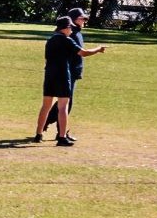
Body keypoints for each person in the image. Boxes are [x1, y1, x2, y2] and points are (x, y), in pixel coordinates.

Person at [34, 15, 105, 145]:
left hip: (49, 75)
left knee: (46, 105)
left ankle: (38, 134)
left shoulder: (50, 40)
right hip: (62, 75)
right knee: (63, 106)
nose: (72, 30)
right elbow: (83, 53)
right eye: (70, 27)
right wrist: (98, 49)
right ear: (66, 28)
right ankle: (61, 137)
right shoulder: (67, 40)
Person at [42, 8, 95, 138]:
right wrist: (98, 50)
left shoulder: (76, 33)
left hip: (72, 72)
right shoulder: (72, 34)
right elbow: (77, 53)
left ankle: (50, 125)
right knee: (65, 103)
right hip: (67, 72)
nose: (84, 21)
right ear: (73, 20)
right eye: (81, 18)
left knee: (64, 102)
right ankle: (60, 132)